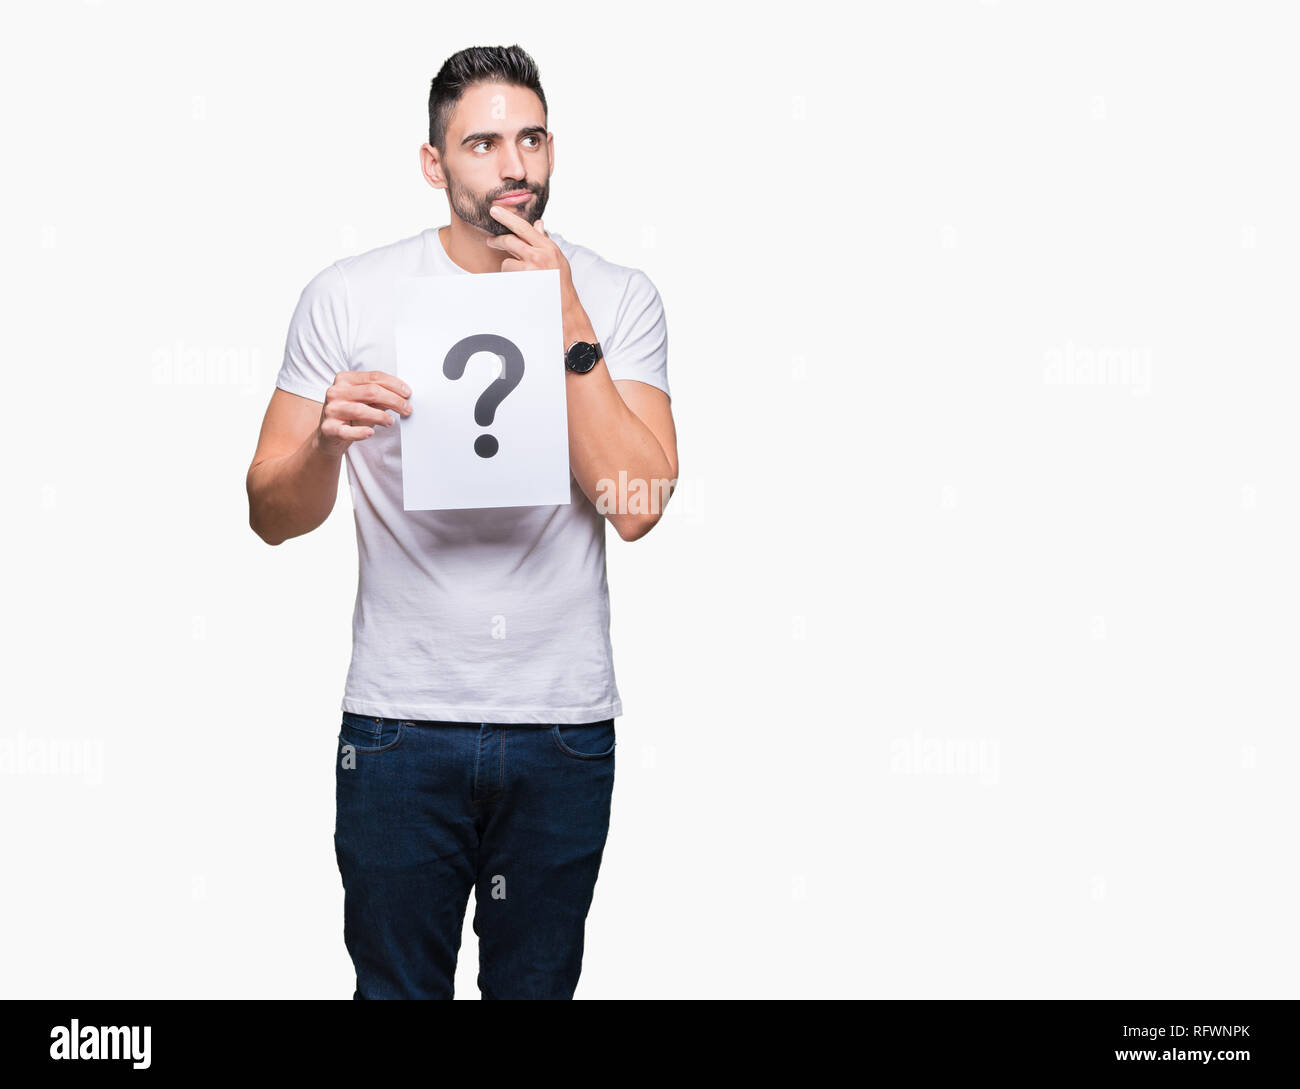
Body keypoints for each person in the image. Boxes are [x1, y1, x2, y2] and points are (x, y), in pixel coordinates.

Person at [245, 44, 678, 999]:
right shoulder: (349, 295)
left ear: (553, 149)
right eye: (481, 143)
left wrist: (560, 307)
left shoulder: (615, 295)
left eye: (529, 139)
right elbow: (270, 513)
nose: (512, 165)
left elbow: (638, 503)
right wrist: (324, 443)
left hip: (559, 723)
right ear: (435, 165)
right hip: (401, 723)